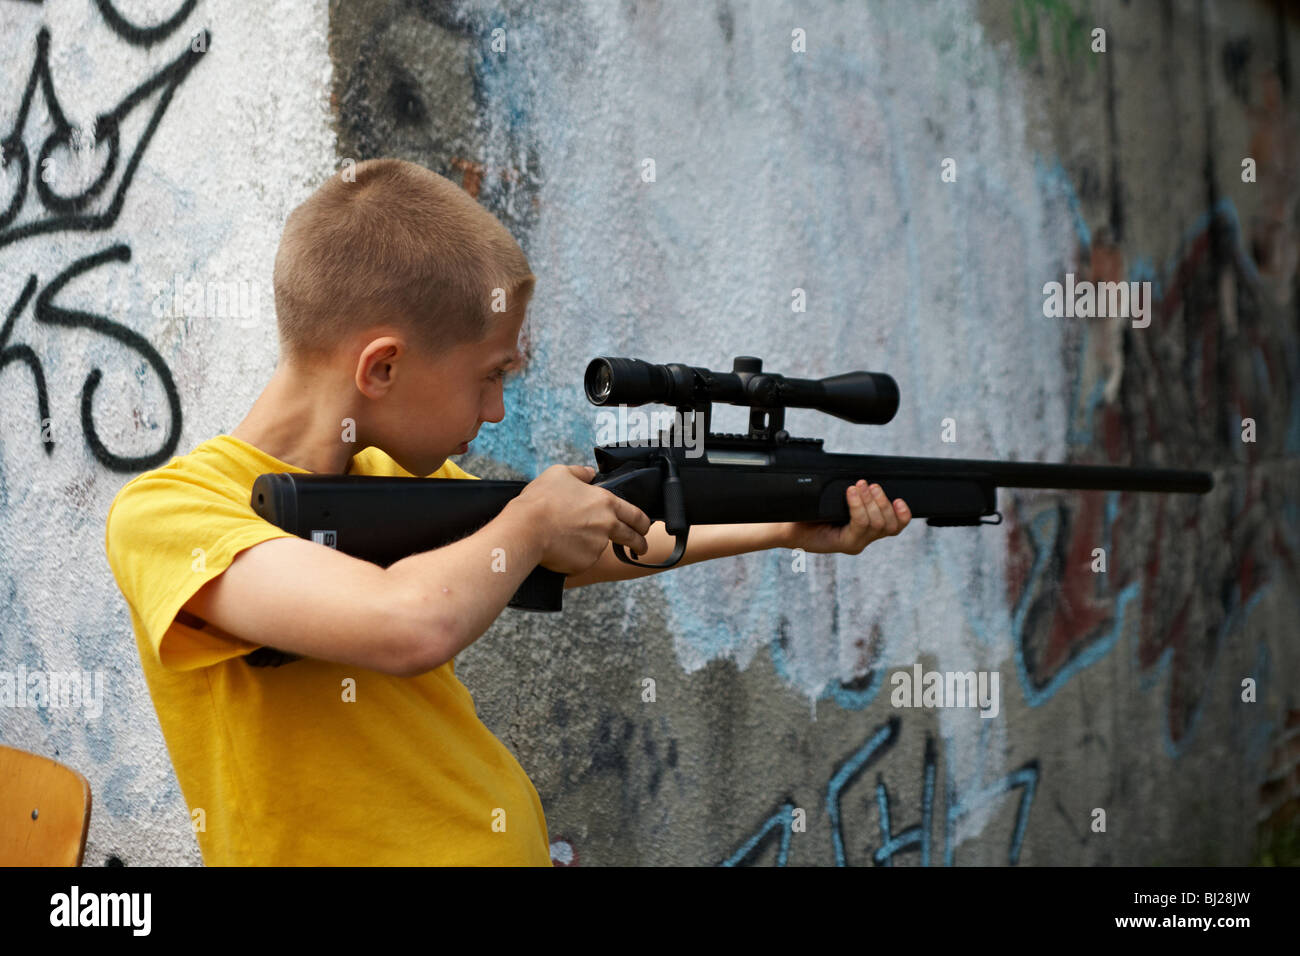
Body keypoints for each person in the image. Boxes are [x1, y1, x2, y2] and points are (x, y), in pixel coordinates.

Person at [104, 158, 911, 865]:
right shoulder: (171, 513)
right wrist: (529, 520)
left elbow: (572, 550)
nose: (494, 411)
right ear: (381, 368)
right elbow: (408, 625)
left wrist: (791, 527)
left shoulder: (385, 476)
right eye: (491, 375)